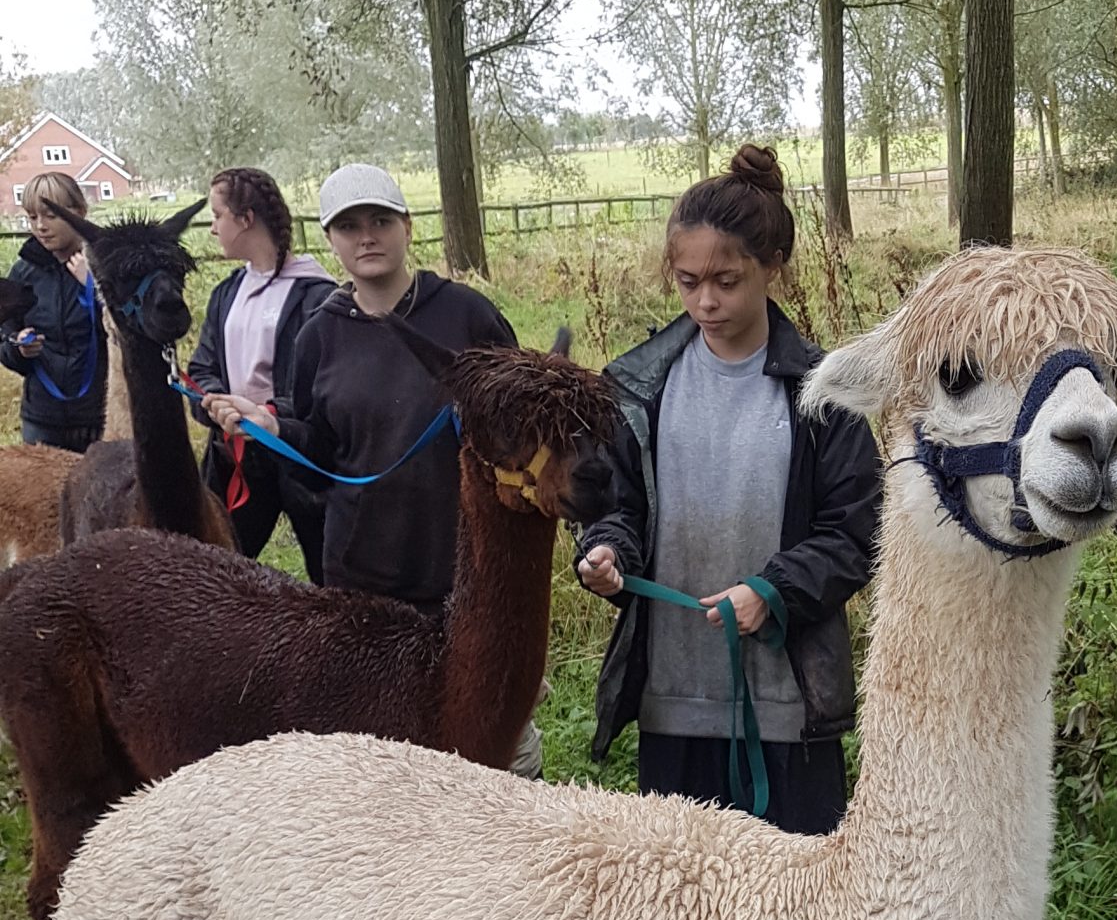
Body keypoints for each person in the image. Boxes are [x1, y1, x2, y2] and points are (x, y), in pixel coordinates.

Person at [574, 144, 880, 835]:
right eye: (686, 282)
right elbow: (614, 506)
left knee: (796, 919)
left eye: (727, 279)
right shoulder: (637, 388)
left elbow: (856, 532)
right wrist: (606, 552)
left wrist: (775, 590)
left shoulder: (824, 395)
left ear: (772, 267)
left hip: (788, 717)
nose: (706, 300)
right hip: (672, 708)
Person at [267, 162, 516, 609]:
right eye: (348, 226)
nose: (367, 236)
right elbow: (317, 460)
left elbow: (517, 435)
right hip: (358, 576)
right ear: (330, 240)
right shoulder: (317, 338)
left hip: (464, 571)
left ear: (407, 227)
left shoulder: (468, 316)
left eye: (381, 221)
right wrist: (274, 431)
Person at [185, 165, 334, 577]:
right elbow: (202, 366)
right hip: (236, 456)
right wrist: (215, 404)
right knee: (217, 570)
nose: (213, 228)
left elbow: (322, 386)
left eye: (217, 216)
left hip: (298, 455)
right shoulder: (227, 293)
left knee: (330, 575)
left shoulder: (316, 296)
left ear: (246, 219)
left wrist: (269, 416)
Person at [2, 172, 106, 452]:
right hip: (41, 420)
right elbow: (5, 336)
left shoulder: (109, 266)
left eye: (50, 216)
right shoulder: (23, 273)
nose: (40, 227)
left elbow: (130, 333)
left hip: (99, 418)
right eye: (32, 217)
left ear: (79, 212)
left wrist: (95, 286)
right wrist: (18, 348)